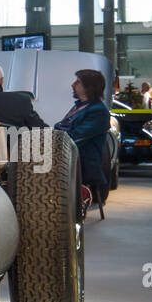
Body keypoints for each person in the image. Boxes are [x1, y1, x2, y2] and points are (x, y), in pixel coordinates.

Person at [54, 69, 112, 212]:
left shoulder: (98, 111)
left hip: (82, 162)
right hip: (68, 157)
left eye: (78, 82)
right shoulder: (79, 106)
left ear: (89, 87)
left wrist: (51, 139)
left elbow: (75, 137)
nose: (73, 85)